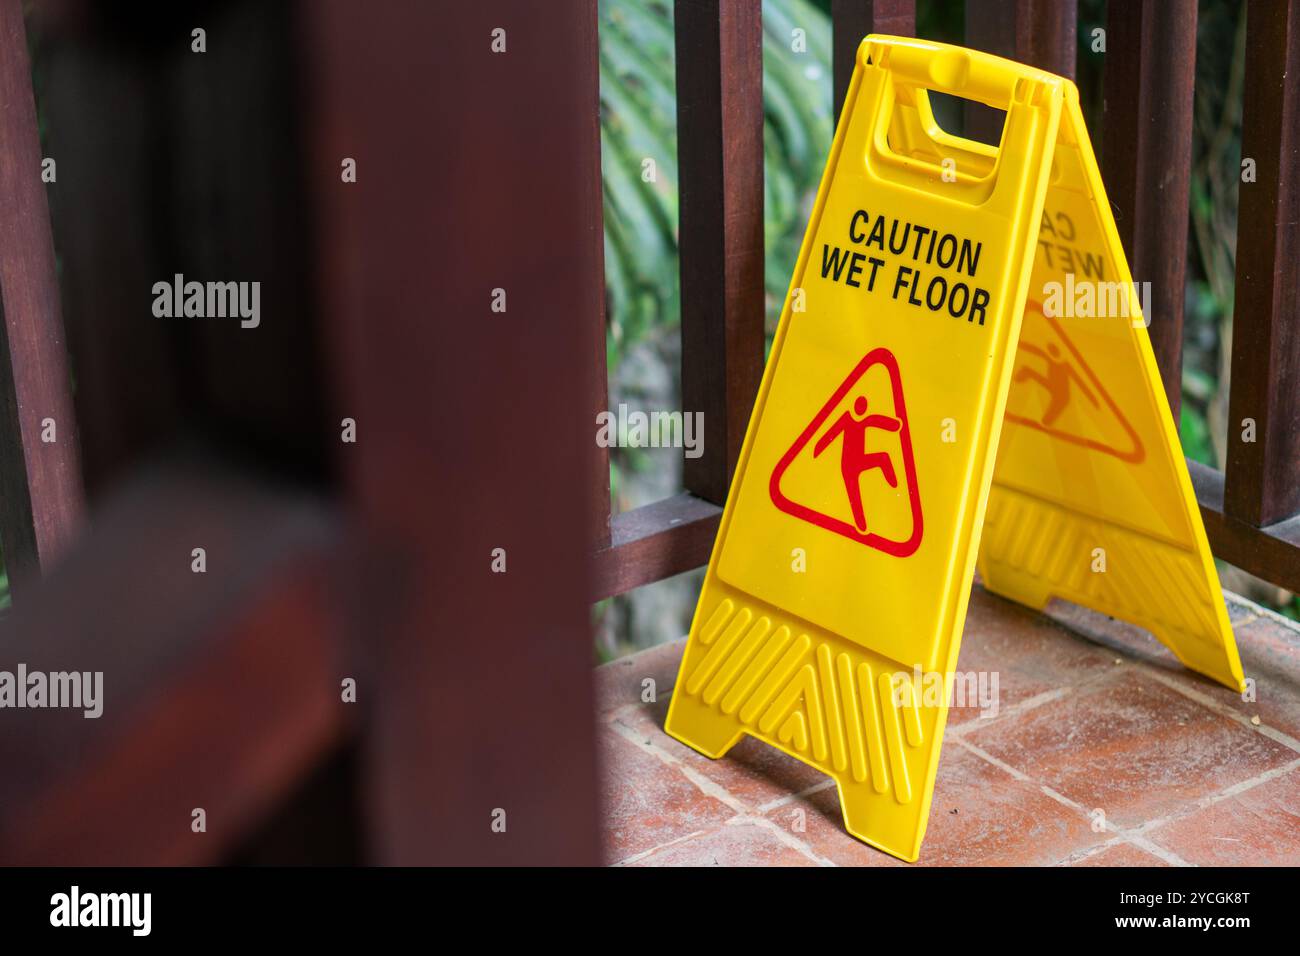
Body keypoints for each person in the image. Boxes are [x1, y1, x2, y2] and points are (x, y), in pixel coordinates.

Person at [814, 396, 900, 533]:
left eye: (864, 407)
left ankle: (894, 483)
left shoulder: (865, 421)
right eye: (860, 406)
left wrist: (896, 425)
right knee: (854, 495)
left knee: (883, 457)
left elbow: (878, 421)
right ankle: (861, 525)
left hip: (860, 460)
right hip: (848, 466)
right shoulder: (847, 418)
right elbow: (832, 432)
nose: (862, 409)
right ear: (855, 406)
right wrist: (818, 449)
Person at [1013, 340, 1098, 426]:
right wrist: (1019, 344)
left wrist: (1092, 398)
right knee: (1049, 417)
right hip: (1056, 389)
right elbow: (1035, 350)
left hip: (1058, 391)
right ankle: (1026, 372)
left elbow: (1079, 382)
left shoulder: (1063, 364)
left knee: (1048, 418)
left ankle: (1026, 372)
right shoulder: (1055, 361)